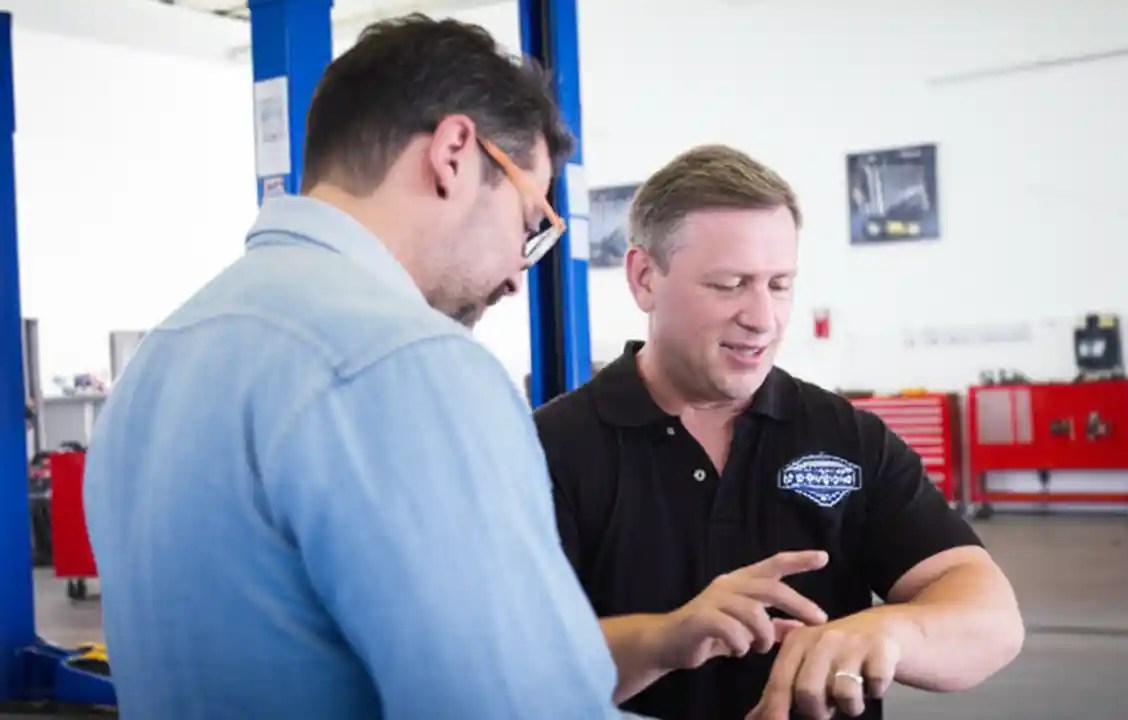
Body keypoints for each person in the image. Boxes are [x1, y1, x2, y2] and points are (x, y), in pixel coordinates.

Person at [84, 16, 624, 719]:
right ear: (454, 153)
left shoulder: (163, 356)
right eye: (529, 222)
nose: (519, 279)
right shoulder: (408, 365)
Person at [533, 145, 1025, 720]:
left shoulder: (847, 438)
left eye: (779, 284)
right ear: (645, 278)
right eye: (729, 284)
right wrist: (665, 639)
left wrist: (888, 633)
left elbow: (991, 620)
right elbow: (511, 669)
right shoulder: (547, 450)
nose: (762, 317)